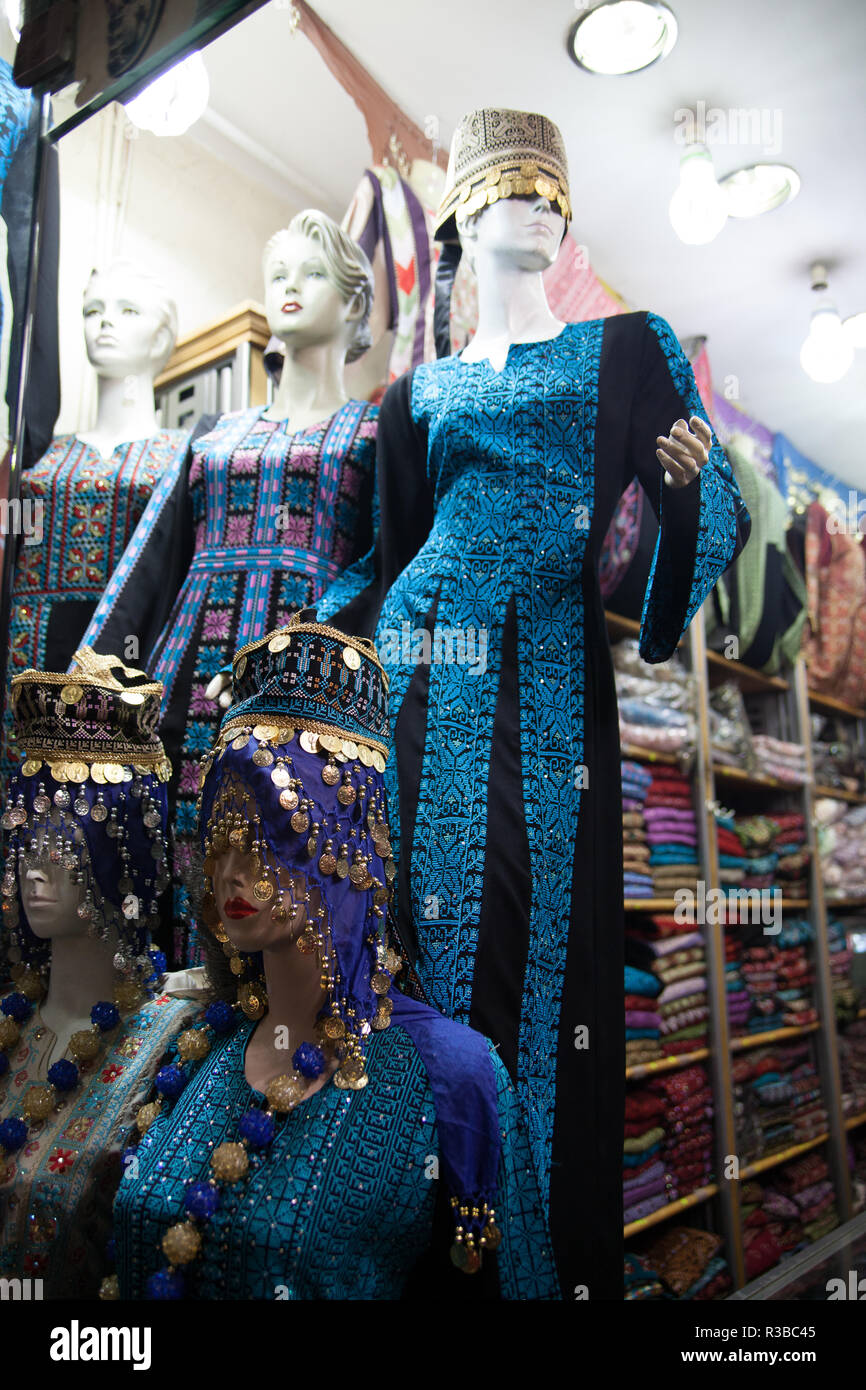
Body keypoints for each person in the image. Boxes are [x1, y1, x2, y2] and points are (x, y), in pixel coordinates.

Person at [314, 107, 752, 1298]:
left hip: (538, 697)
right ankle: (383, 1239)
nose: (533, 208)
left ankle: (508, 1261)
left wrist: (683, 490)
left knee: (515, 951)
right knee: (386, 951)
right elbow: (376, 559)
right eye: (506, 189)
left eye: (548, 192)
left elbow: (698, 533)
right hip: (406, 685)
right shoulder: (414, 394)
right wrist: (298, 653)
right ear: (459, 214)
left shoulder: (623, 349)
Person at [110, 613, 558, 1300]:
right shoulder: (195, 1041)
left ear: (343, 855)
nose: (232, 872)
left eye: (267, 837)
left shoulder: (453, 1075)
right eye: (222, 841)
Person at [80, 212, 380, 967]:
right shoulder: (214, 434)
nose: (287, 286)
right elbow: (153, 553)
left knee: (279, 847)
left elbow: (381, 562)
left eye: (311, 273)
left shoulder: (371, 435)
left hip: (296, 683)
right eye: (277, 272)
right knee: (172, 834)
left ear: (352, 304)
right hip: (187, 663)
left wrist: (294, 646)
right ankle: (173, 1043)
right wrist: (92, 669)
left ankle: (272, 1044)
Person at [0, 647, 196, 1297]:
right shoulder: (10, 1020)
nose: (35, 867)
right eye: (27, 837)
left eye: (63, 842)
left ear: (120, 854)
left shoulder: (174, 1040)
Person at [2, 260, 184, 783]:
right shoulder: (36, 461)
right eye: (93, 310)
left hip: (125, 674)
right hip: (27, 672)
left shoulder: (181, 455)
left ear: (162, 335)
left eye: (127, 310)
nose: (104, 322)